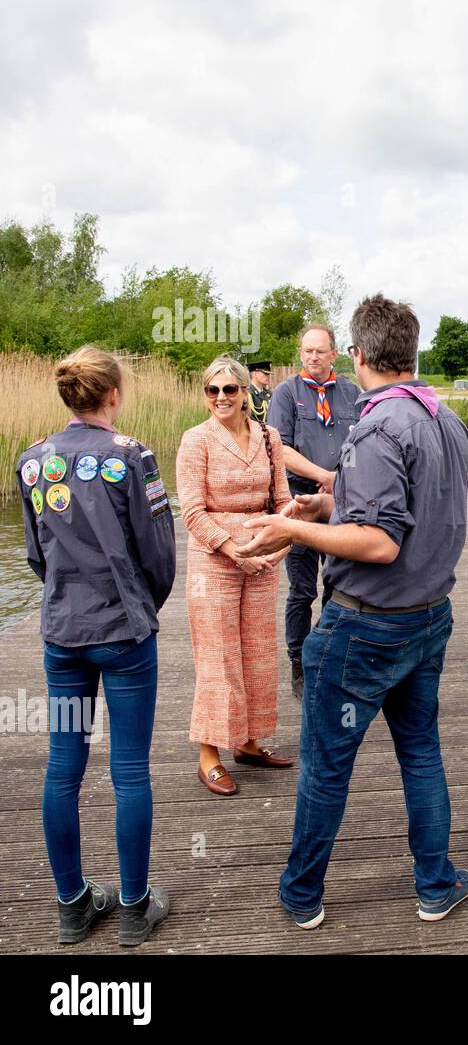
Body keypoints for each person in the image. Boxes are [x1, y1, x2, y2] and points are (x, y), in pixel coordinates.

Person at [238, 294, 468, 929]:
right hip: (428, 618)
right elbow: (395, 504)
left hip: (365, 628)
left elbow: (380, 540)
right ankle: (435, 884)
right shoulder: (447, 421)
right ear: (412, 353)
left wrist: (289, 531)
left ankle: (302, 896)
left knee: (325, 765)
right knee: (421, 752)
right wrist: (323, 508)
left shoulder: (375, 425)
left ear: (360, 356)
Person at [17, 346, 176, 947]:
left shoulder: (32, 463)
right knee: (129, 769)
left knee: (63, 768)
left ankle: (72, 906)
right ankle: (134, 907)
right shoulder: (131, 457)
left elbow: (37, 554)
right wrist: (139, 607)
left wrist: (68, 598)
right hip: (125, 636)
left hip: (63, 637)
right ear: (114, 395)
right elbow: (159, 556)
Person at [178, 356, 293, 797]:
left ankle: (249, 741)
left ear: (246, 392)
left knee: (259, 654)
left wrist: (280, 545)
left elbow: (282, 498)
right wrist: (234, 552)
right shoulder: (196, 440)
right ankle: (210, 754)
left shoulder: (269, 437)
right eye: (213, 390)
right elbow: (190, 511)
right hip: (215, 559)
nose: (221, 398)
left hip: (264, 556)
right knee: (218, 655)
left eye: (230, 389)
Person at [267, 326, 362, 699]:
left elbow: (362, 442)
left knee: (340, 585)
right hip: (301, 500)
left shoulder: (352, 393)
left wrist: (340, 480)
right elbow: (280, 449)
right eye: (307, 351)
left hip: (342, 501)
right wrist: (323, 475)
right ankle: (298, 661)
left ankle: (329, 654)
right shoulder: (287, 393)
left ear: (334, 354)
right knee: (302, 589)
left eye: (320, 352)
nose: (313, 358)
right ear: (300, 352)